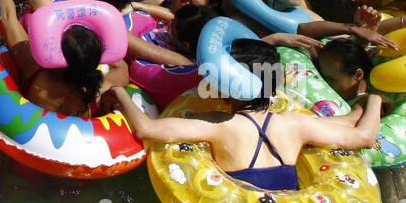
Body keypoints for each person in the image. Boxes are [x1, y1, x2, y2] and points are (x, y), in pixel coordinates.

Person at [113, 39, 384, 190]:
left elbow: (146, 129)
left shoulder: (217, 124)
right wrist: (373, 99)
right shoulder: (296, 124)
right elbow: (363, 136)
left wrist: (118, 90)